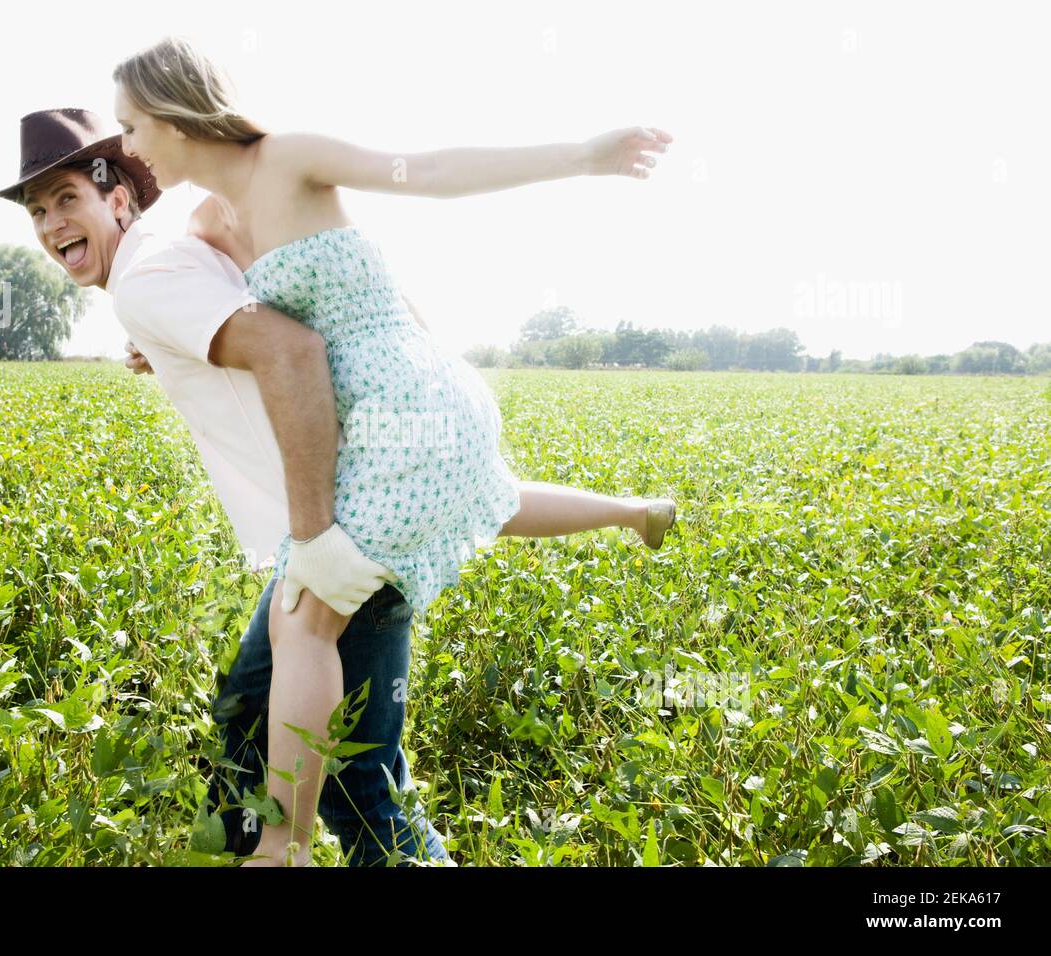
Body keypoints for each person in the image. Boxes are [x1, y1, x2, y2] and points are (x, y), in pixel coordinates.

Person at [110, 35, 679, 866]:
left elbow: (430, 171)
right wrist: (156, 347)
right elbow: (210, 307)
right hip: (407, 407)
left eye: (131, 124)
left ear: (172, 111)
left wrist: (586, 156)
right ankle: (638, 511)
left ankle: (281, 847)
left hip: (403, 404)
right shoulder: (212, 217)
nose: (127, 147)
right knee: (492, 498)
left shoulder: (288, 158)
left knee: (303, 612)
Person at [0, 108, 447, 865]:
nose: (52, 223)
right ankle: (239, 848)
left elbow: (292, 348)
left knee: (359, 788)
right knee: (246, 717)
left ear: (117, 199)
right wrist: (175, 350)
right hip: (357, 514)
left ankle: (280, 849)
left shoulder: (151, 276)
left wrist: (317, 535)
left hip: (341, 531)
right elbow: (268, 303)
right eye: (37, 211)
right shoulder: (167, 258)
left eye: (68, 198)